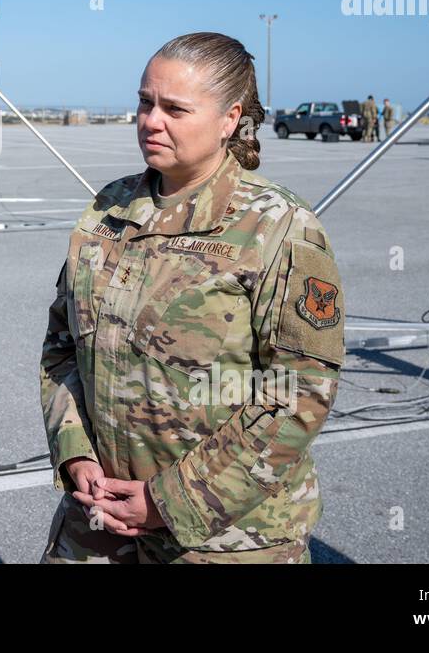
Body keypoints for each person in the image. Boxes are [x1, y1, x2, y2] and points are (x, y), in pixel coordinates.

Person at [39, 32, 345, 563]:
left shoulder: (278, 226)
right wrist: (75, 455)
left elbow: (299, 392)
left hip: (225, 536)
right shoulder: (107, 212)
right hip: (99, 516)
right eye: (144, 102)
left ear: (230, 118)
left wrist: (169, 502)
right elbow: (62, 349)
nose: (151, 120)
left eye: (175, 109)